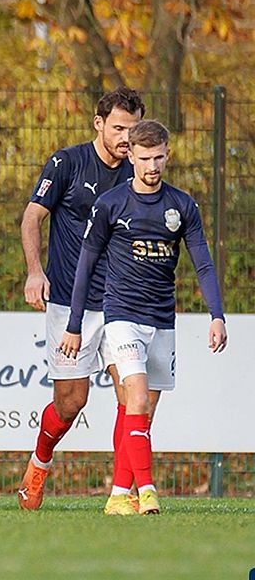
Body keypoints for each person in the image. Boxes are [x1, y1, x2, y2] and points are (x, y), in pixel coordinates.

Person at [60, 118, 227, 515]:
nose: (153, 166)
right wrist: (74, 324)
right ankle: (148, 491)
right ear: (130, 155)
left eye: (159, 158)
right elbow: (85, 265)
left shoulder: (182, 206)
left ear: (167, 155)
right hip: (121, 315)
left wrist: (216, 315)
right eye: (145, 158)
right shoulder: (111, 205)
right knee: (134, 397)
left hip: (161, 319)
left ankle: (119, 495)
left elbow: (202, 263)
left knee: (144, 412)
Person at [17, 87, 145, 511]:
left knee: (132, 396)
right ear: (99, 124)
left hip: (121, 303)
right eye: (120, 128)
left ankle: (122, 493)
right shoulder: (67, 162)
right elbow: (33, 216)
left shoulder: (139, 172)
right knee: (72, 401)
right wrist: (35, 271)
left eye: (134, 128)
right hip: (70, 302)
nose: (127, 137)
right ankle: (39, 464)